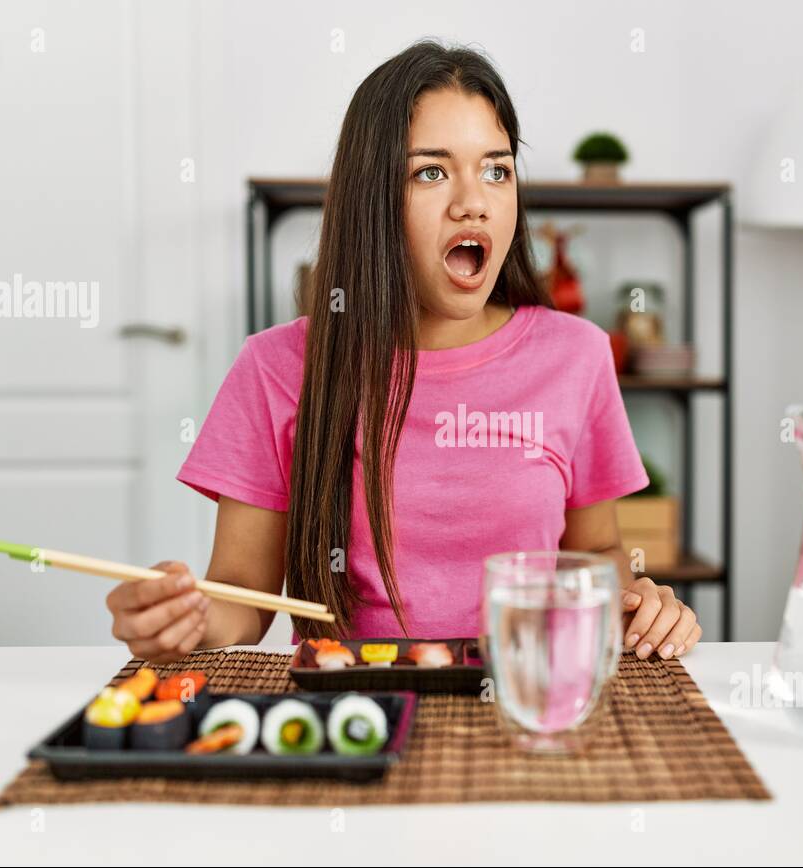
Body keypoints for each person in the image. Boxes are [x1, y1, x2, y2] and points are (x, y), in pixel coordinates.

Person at [105, 40, 701, 665]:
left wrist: (637, 602)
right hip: (355, 709)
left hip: (524, 698)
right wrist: (186, 615)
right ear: (373, 199)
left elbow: (599, 552)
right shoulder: (276, 368)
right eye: (431, 171)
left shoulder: (576, 354)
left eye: (496, 169)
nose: (473, 201)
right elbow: (243, 595)